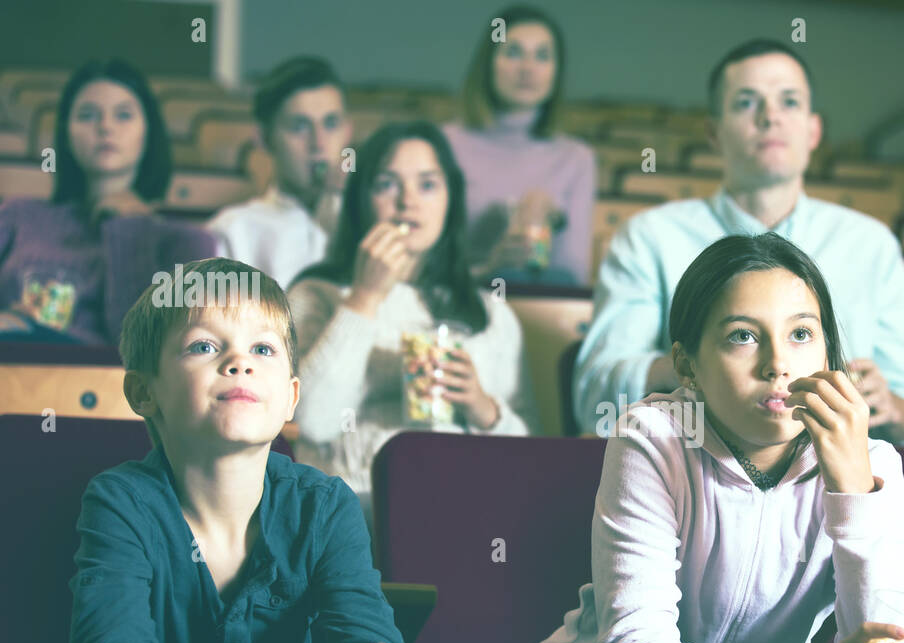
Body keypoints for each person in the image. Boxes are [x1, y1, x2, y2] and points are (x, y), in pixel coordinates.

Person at [523, 233, 904, 643]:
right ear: (687, 366)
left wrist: (853, 490)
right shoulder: (654, 436)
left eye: (802, 334)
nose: (778, 364)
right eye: (742, 337)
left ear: (830, 354)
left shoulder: (874, 463)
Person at [69, 257, 411, 643]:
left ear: (292, 397)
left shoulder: (326, 505)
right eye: (204, 346)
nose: (239, 362)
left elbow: (367, 642)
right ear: (143, 392)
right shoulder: (120, 501)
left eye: (263, 348)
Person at [572, 39, 904, 445]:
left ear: (814, 130)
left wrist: (891, 406)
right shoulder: (646, 237)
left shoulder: (873, 244)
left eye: (789, 102)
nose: (770, 117)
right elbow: (594, 399)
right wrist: (704, 367)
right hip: (691, 470)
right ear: (713, 131)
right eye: (747, 103)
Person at [290, 122, 539, 525]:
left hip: (467, 509)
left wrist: (482, 408)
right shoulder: (317, 294)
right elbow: (311, 421)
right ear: (361, 201)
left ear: (450, 199)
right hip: (346, 512)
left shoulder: (490, 313)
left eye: (427, 185)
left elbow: (528, 455)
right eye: (387, 184)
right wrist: (364, 297)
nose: (408, 202)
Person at [0, 59, 215, 345]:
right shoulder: (19, 215)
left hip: (106, 384)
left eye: (123, 115)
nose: (105, 127)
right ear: (66, 133)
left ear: (148, 132)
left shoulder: (185, 242)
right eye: (87, 115)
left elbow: (142, 347)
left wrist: (128, 228)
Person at [443, 5, 595, 285]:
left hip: (539, 315)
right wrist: (489, 268)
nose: (528, 69)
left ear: (556, 71)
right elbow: (425, 269)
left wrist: (550, 230)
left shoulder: (577, 158)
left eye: (542, 56)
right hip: (456, 306)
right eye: (513, 53)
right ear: (488, 63)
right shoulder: (444, 145)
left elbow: (574, 277)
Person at [207, 57, 352, 288]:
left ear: (347, 131)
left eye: (330, 123)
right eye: (299, 127)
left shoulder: (371, 222)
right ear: (264, 139)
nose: (319, 143)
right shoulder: (232, 229)